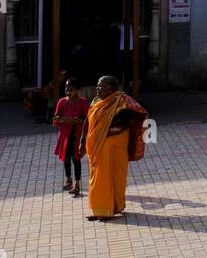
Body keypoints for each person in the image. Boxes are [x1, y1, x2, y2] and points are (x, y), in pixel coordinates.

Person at [79, 75, 148, 221]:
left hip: (116, 144)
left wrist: (115, 124)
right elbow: (88, 120)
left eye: (100, 85)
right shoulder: (97, 101)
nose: (97, 88)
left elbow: (138, 113)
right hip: (98, 144)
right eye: (97, 85)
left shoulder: (122, 100)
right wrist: (82, 140)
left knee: (115, 175)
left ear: (110, 88)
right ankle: (99, 209)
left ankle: (113, 208)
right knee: (98, 176)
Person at [51, 78, 90, 196]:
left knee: (76, 159)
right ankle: (69, 179)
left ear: (77, 90)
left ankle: (77, 184)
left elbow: (88, 121)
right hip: (65, 136)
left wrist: (76, 121)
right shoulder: (62, 102)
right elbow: (56, 119)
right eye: (66, 89)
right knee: (66, 158)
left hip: (77, 135)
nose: (68, 91)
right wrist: (62, 119)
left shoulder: (83, 103)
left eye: (71, 89)